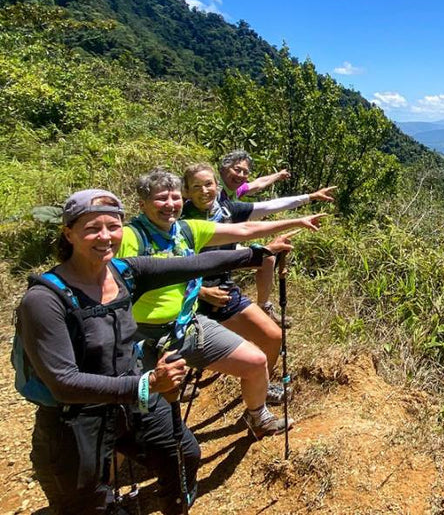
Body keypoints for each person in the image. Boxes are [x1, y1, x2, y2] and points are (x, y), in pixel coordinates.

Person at [16, 189, 287, 514]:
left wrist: (258, 254)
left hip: (132, 402)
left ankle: (171, 504)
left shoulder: (124, 272)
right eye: (92, 228)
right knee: (87, 504)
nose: (105, 237)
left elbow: (192, 264)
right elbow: (63, 382)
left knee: (184, 453)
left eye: (113, 226)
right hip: (73, 421)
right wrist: (147, 385)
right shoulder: (44, 300)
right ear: (69, 233)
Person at [119, 169, 324, 438]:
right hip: (141, 337)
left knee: (255, 361)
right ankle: (108, 471)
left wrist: (296, 222)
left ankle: (257, 417)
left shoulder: (186, 230)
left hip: (188, 326)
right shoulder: (128, 238)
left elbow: (244, 229)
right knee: (135, 418)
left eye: (173, 197)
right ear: (142, 204)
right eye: (160, 199)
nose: (170, 205)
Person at [182, 161, 335, 330]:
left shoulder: (226, 209)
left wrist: (309, 198)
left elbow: (268, 206)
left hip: (224, 261)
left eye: (208, 184)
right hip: (192, 278)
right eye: (196, 187)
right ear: (186, 191)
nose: (204, 191)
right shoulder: (180, 217)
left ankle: (264, 306)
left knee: (266, 257)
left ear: (217, 185)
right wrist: (201, 291)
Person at [218, 149, 290, 202]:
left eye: (245, 172)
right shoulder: (213, 192)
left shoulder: (234, 191)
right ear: (224, 169)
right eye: (237, 170)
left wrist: (279, 175)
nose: (241, 175)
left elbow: (258, 184)